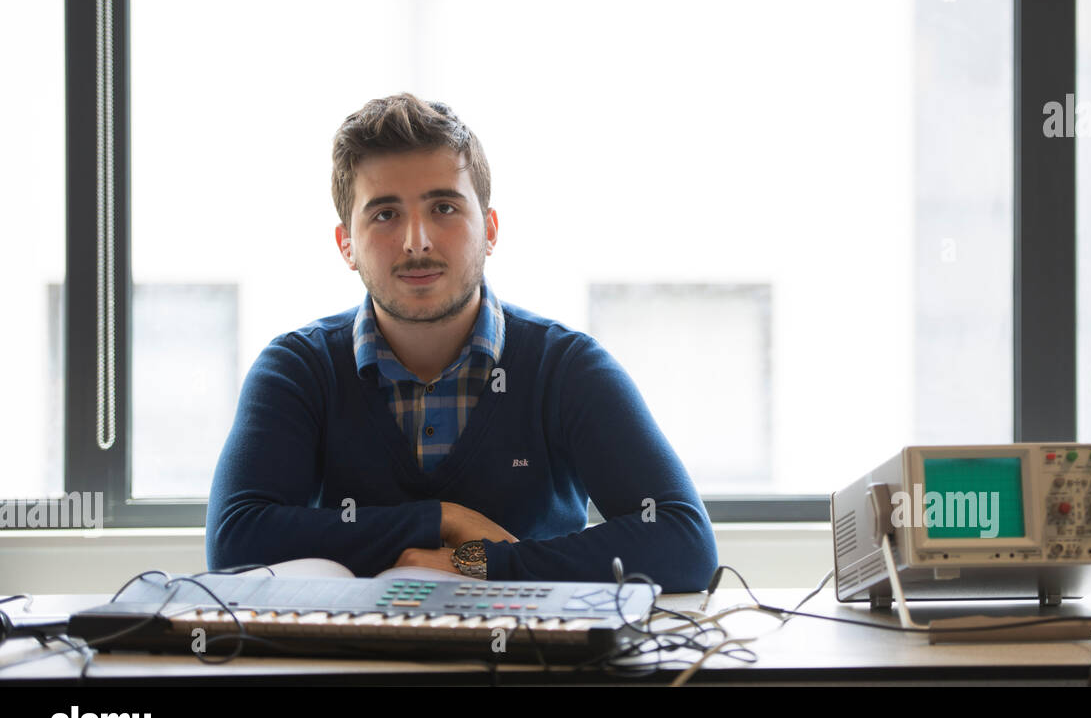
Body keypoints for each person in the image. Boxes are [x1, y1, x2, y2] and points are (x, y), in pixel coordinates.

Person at [205, 94, 717, 592]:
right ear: (347, 246)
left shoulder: (565, 367)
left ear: (489, 230)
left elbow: (684, 543)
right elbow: (235, 541)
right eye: (385, 214)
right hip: (358, 672)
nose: (417, 241)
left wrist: (482, 562)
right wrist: (442, 519)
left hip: (535, 670)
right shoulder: (298, 369)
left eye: (444, 207)